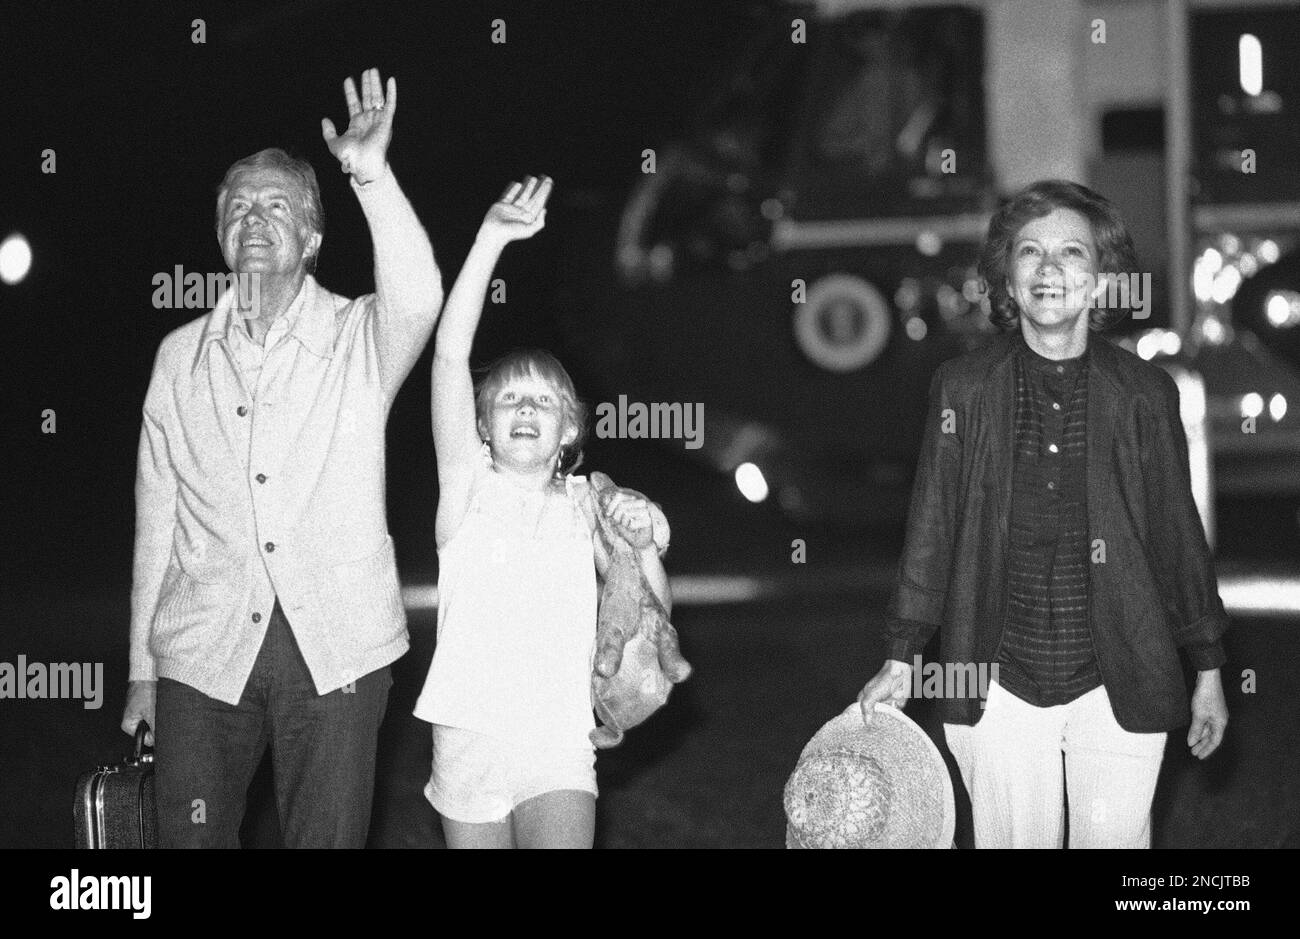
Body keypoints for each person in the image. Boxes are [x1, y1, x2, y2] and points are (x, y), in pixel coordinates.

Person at [121, 69, 443, 847]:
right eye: (239, 208)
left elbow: (421, 295)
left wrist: (370, 172)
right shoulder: (178, 358)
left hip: (337, 651)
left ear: (312, 238)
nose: (255, 219)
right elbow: (156, 515)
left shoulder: (358, 338)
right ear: (222, 236)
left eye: (277, 207)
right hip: (201, 653)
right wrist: (141, 668)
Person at [857, 180, 1230, 849]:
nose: (1050, 268)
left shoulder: (1145, 393)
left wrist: (1207, 668)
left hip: (1121, 673)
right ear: (1006, 276)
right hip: (995, 677)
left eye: (1071, 253)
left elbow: (1179, 536)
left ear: (1102, 278)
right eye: (1030, 251)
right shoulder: (963, 388)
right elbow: (932, 528)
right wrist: (903, 655)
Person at [414, 175, 671, 848]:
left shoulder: (592, 506)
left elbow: (651, 610)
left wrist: (642, 548)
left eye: (544, 402)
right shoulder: (464, 489)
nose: (525, 409)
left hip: (558, 739)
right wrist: (490, 239)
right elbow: (447, 354)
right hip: (467, 737)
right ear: (483, 425)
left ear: (568, 432)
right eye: (508, 400)